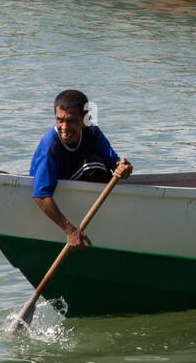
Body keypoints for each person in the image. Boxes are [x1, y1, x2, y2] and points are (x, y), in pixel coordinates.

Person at [30, 89, 131, 249]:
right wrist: (70, 231)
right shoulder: (49, 148)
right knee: (93, 164)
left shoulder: (93, 133)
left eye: (71, 121)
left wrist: (123, 169)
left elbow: (116, 163)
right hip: (59, 196)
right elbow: (41, 196)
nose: (64, 127)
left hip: (86, 190)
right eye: (59, 120)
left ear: (85, 120)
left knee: (96, 163)